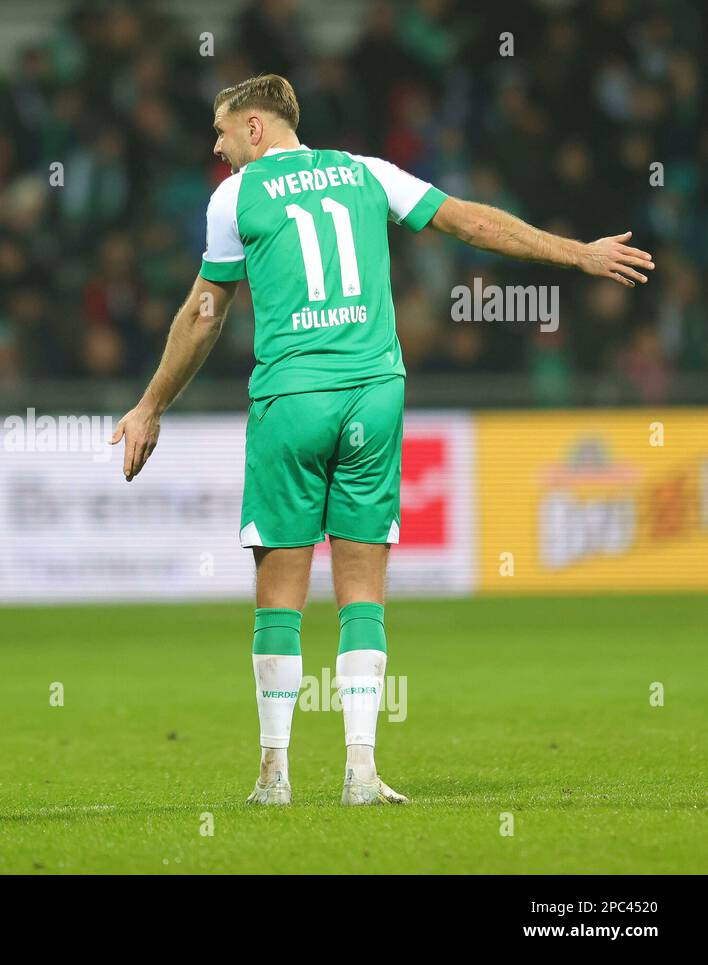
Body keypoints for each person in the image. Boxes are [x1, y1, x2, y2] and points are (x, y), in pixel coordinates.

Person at [110, 74, 654, 805]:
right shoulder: (370, 172)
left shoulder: (234, 198)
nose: (216, 145)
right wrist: (575, 254)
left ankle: (274, 774)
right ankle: (361, 771)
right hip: (376, 393)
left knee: (280, 593)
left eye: (222, 130)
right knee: (363, 588)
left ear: (257, 130)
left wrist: (150, 406)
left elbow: (206, 313)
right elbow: (470, 222)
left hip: (293, 398)